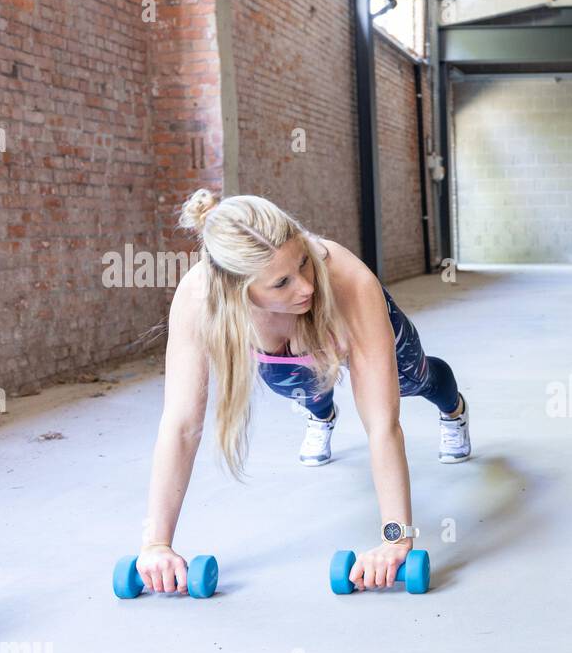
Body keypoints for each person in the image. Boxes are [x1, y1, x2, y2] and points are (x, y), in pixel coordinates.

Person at [134, 190, 469, 594]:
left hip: (349, 327)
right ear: (237, 290)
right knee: (297, 387)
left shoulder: (346, 280)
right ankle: (320, 413)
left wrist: (396, 538)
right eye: (281, 283)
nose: (306, 286)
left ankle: (453, 408)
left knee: (413, 378)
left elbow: (382, 424)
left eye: (304, 262)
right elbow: (181, 425)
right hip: (288, 351)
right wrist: (155, 544)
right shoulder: (198, 299)